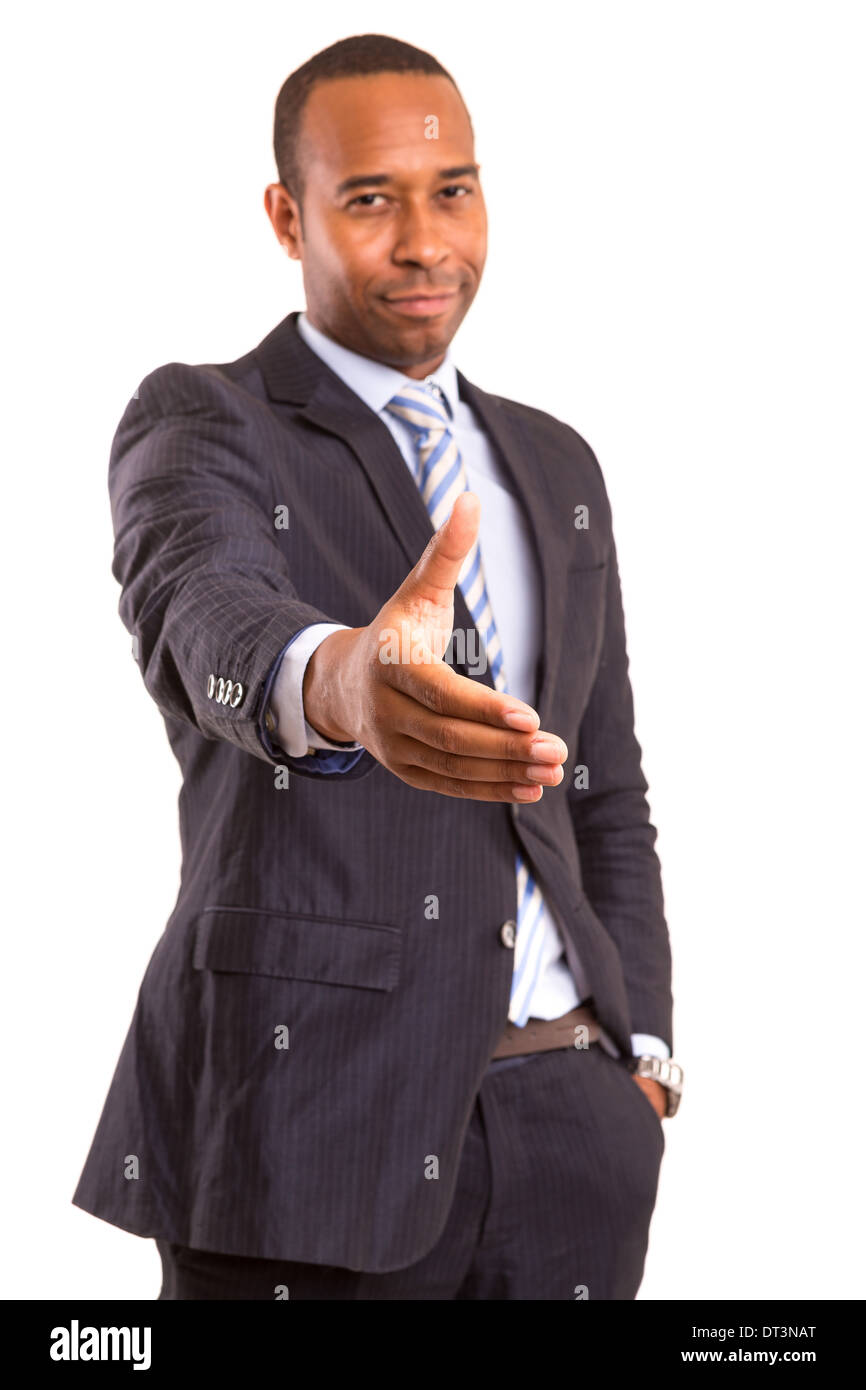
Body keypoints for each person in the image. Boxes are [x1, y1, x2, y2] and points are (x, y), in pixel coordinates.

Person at [72, 32, 683, 1301]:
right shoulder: (201, 419)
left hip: (573, 1139)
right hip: (307, 1135)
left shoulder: (553, 465)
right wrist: (340, 681)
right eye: (369, 200)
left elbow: (602, 788)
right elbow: (206, 609)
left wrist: (642, 1055)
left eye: (450, 190)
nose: (424, 242)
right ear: (286, 216)